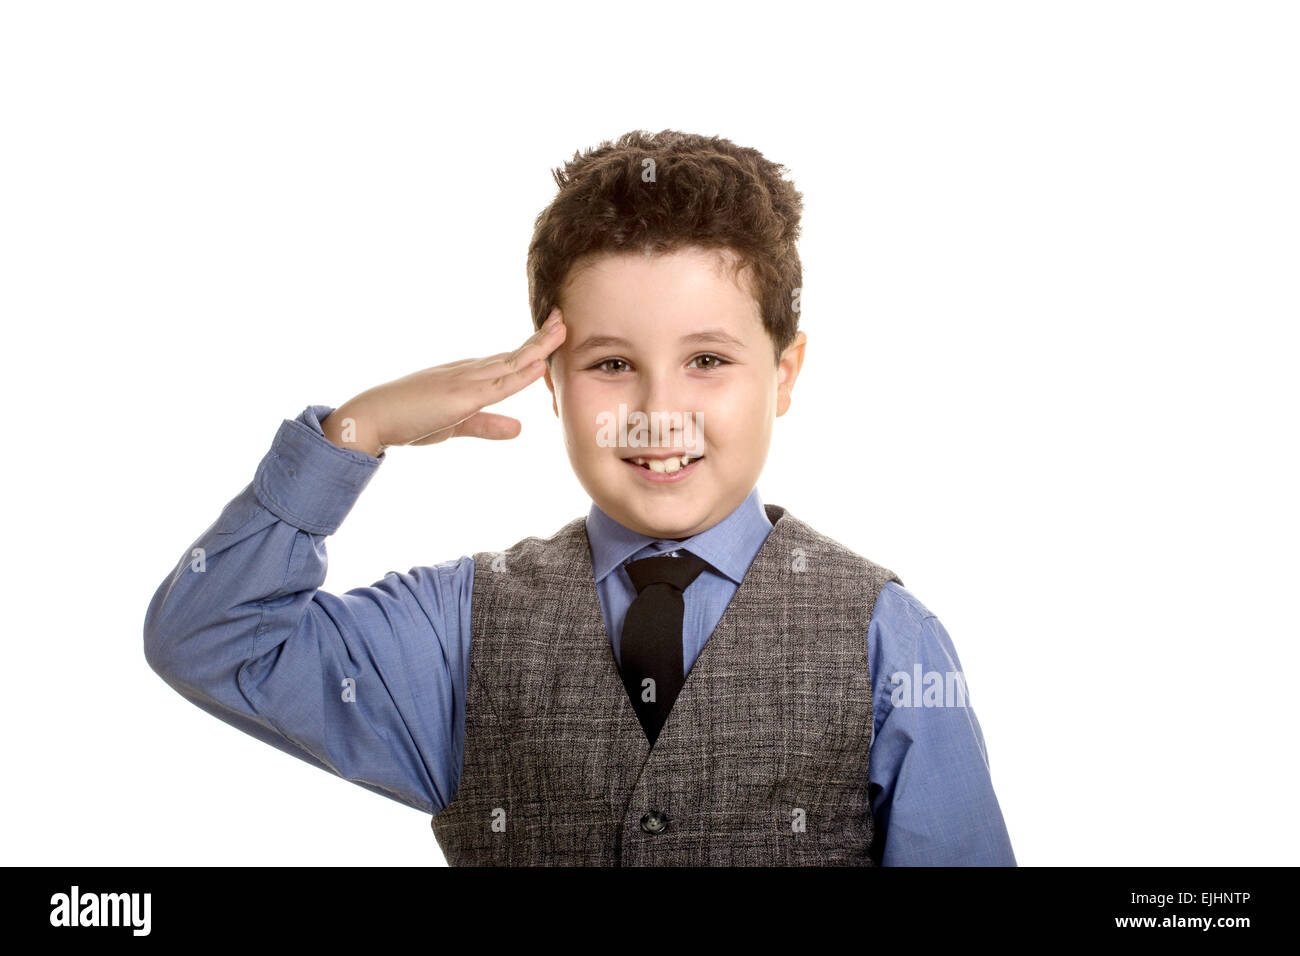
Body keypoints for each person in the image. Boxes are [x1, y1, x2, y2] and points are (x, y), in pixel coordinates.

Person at [144, 129, 1015, 866]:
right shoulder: (459, 629)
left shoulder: (886, 639)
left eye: (707, 361)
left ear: (784, 374)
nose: (657, 412)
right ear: (552, 382)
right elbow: (209, 637)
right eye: (610, 364)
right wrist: (353, 434)